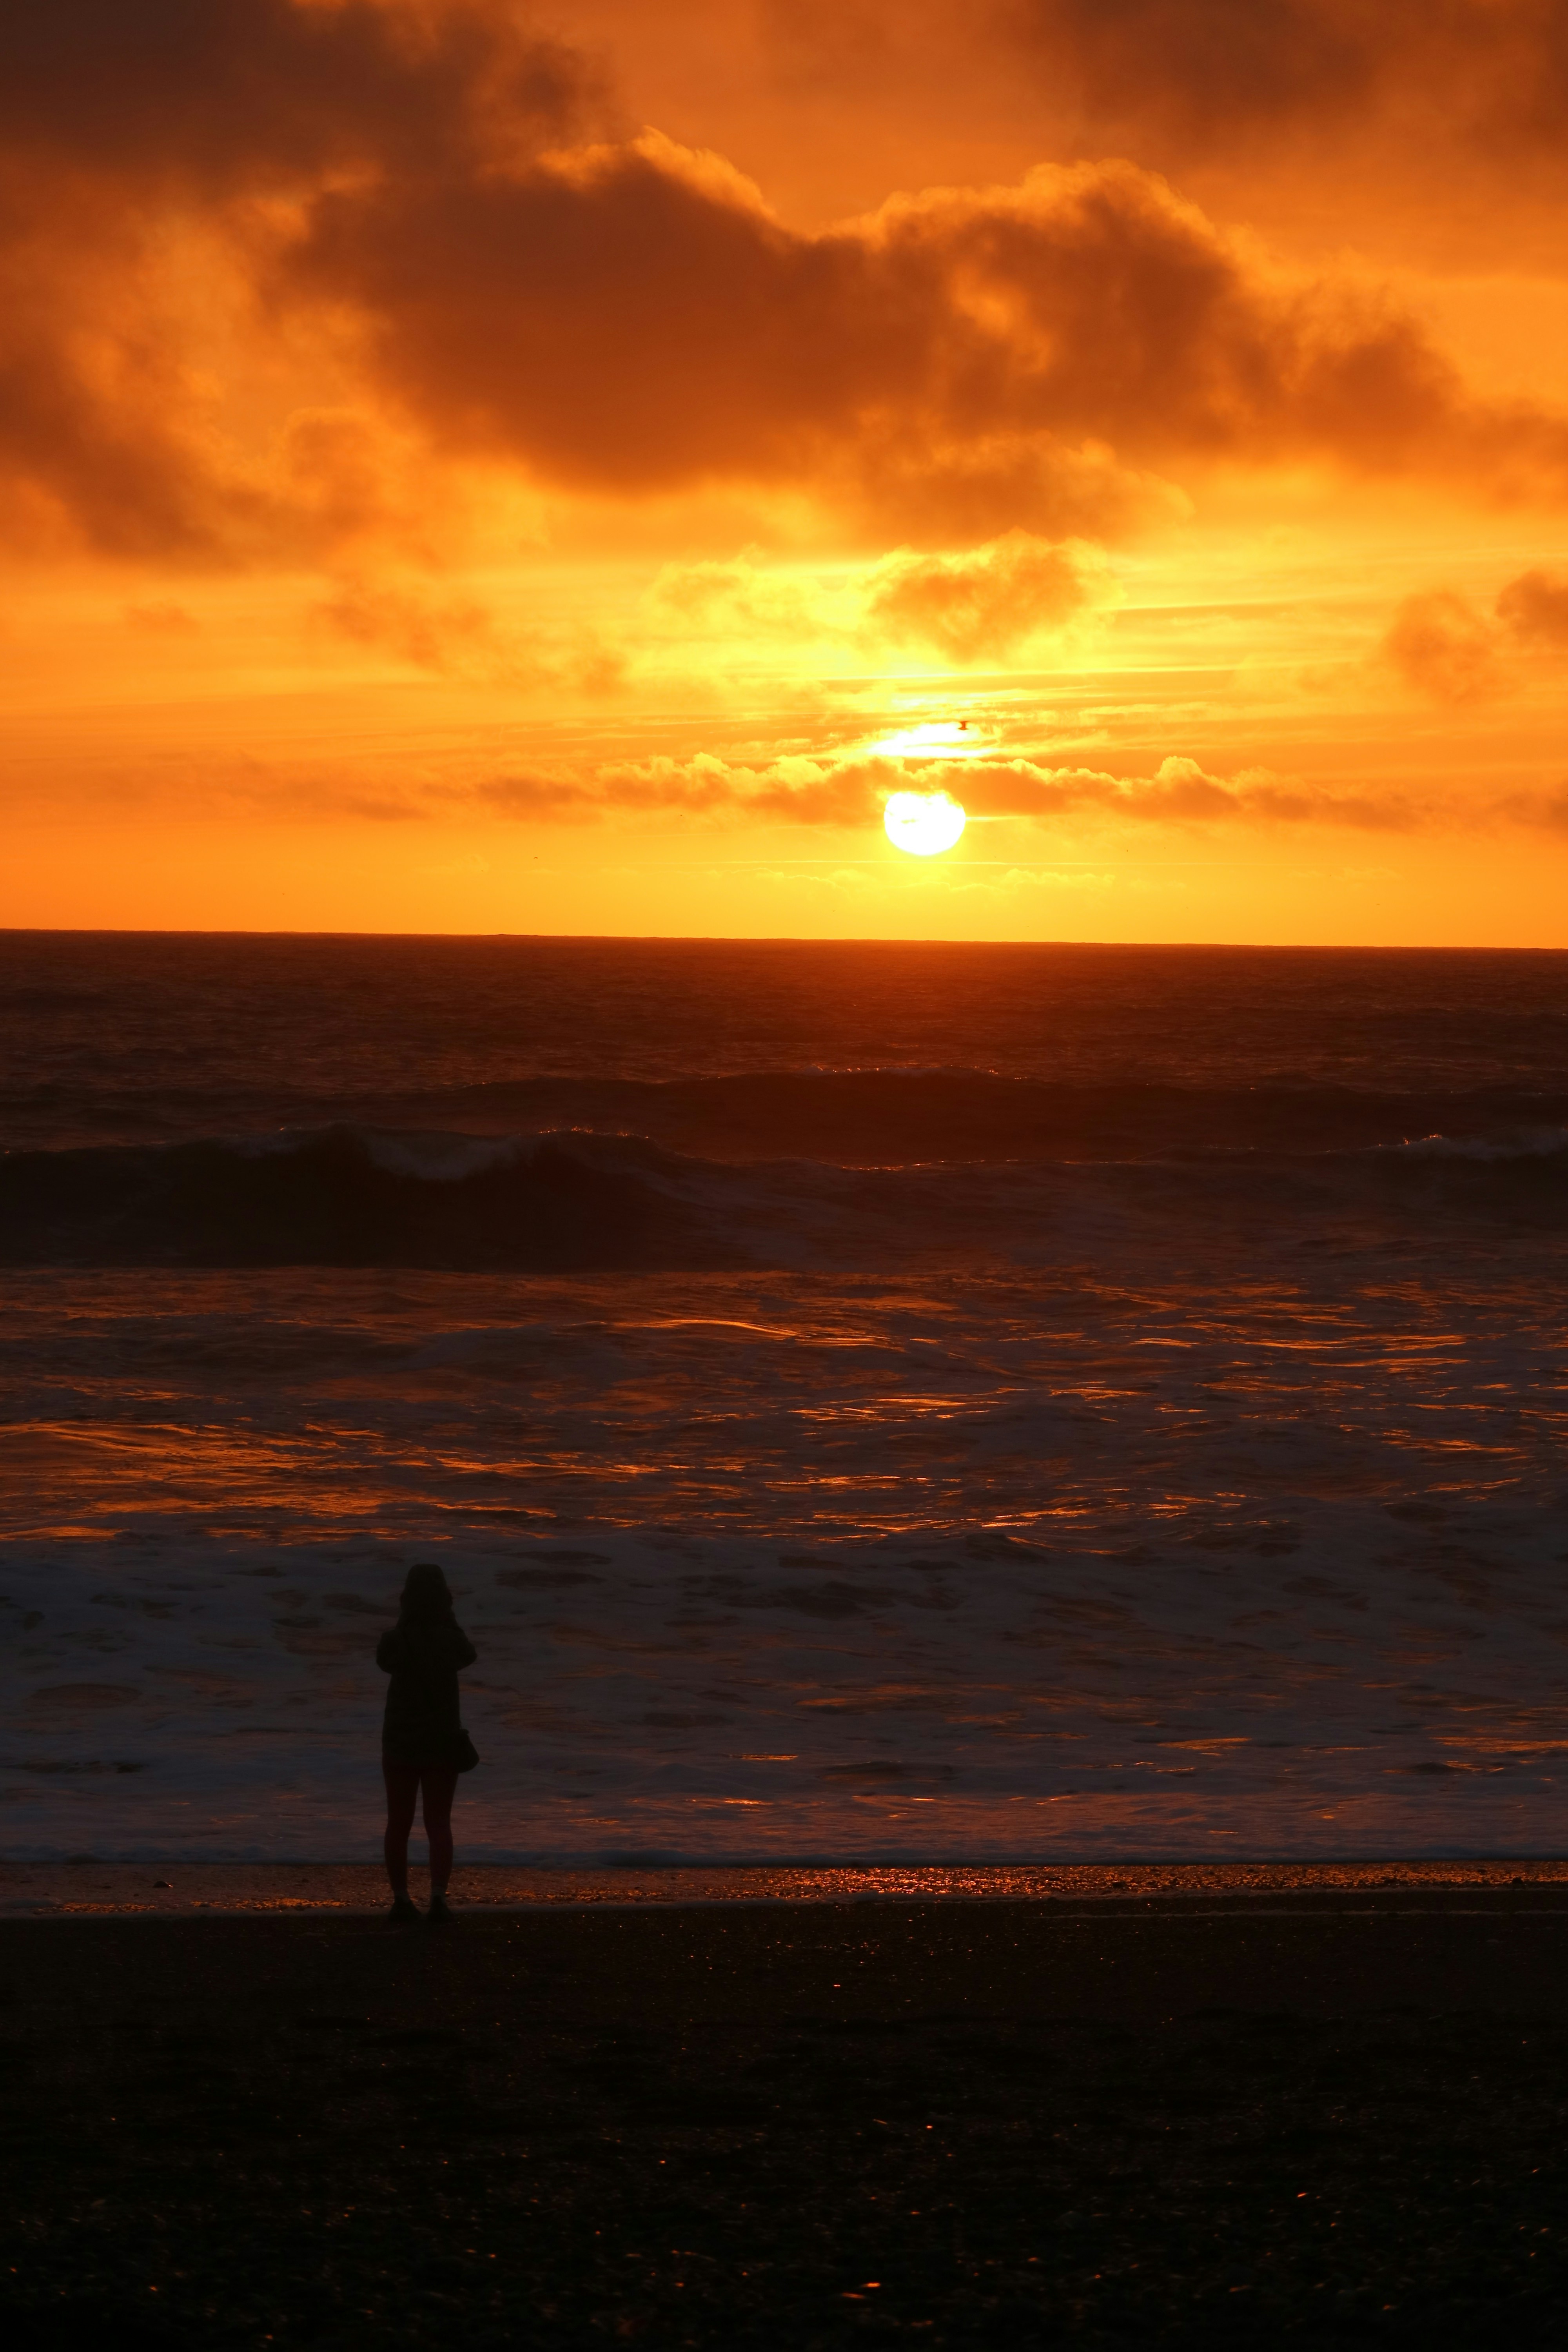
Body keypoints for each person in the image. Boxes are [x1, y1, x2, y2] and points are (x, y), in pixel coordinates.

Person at [377, 1561, 476, 1923]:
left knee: (398, 1823)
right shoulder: (451, 1640)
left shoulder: (395, 1640)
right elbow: (469, 1655)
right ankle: (438, 1898)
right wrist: (448, 1621)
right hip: (441, 1741)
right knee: (439, 1823)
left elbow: (385, 1663)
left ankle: (401, 1899)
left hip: (401, 1740)